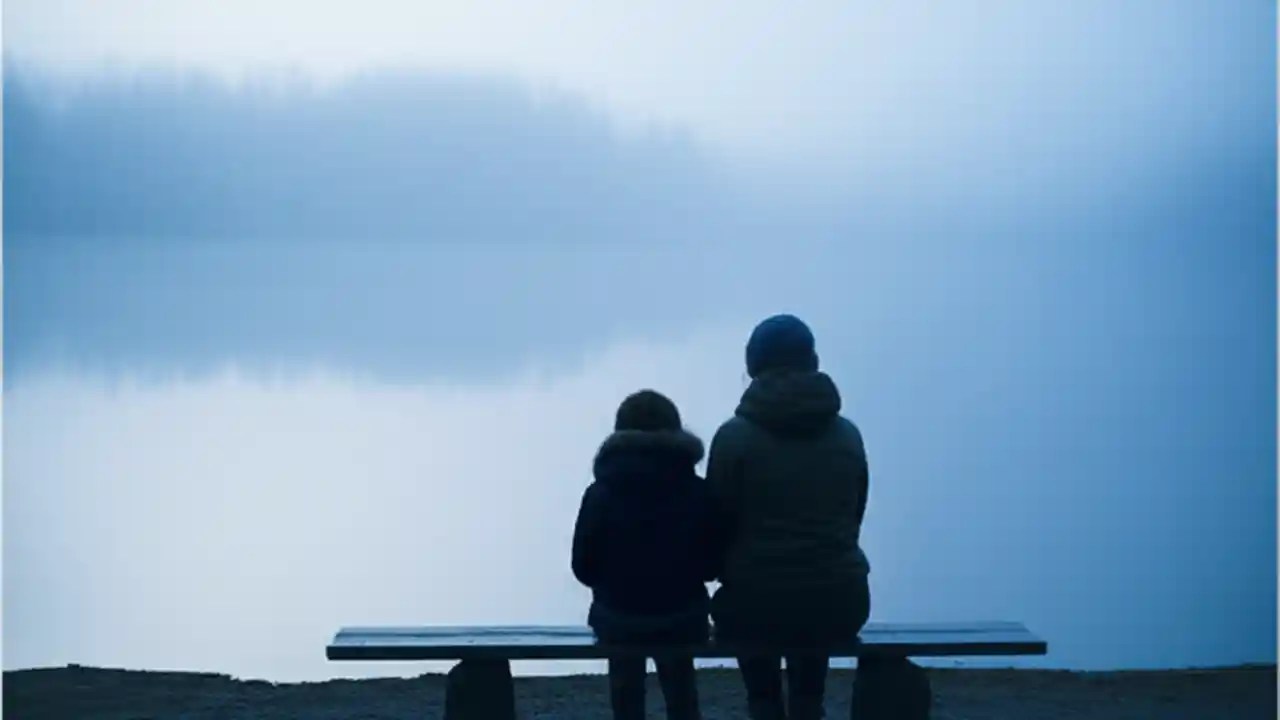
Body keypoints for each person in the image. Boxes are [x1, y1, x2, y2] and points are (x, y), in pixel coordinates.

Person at [706, 314, 872, 720]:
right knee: (814, 597)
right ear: (813, 361)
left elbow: (716, 527)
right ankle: (808, 703)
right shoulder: (847, 435)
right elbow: (853, 520)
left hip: (754, 606)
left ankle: (764, 703)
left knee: (758, 606)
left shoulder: (733, 438)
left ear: (752, 365)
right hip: (841, 602)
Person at [572, 389, 723, 720]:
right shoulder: (697, 492)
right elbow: (713, 565)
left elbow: (582, 566)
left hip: (618, 619)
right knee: (681, 694)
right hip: (683, 618)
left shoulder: (600, 493)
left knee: (625, 693)